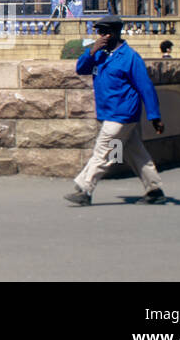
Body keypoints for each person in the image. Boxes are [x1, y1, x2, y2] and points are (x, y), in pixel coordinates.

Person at [64, 14, 166, 206]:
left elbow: (146, 87)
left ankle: (85, 189)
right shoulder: (101, 54)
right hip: (108, 112)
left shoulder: (130, 57)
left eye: (104, 32)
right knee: (133, 151)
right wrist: (91, 51)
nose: (101, 35)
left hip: (122, 114)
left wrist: (155, 116)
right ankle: (154, 189)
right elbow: (81, 69)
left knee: (103, 150)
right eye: (99, 32)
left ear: (114, 33)